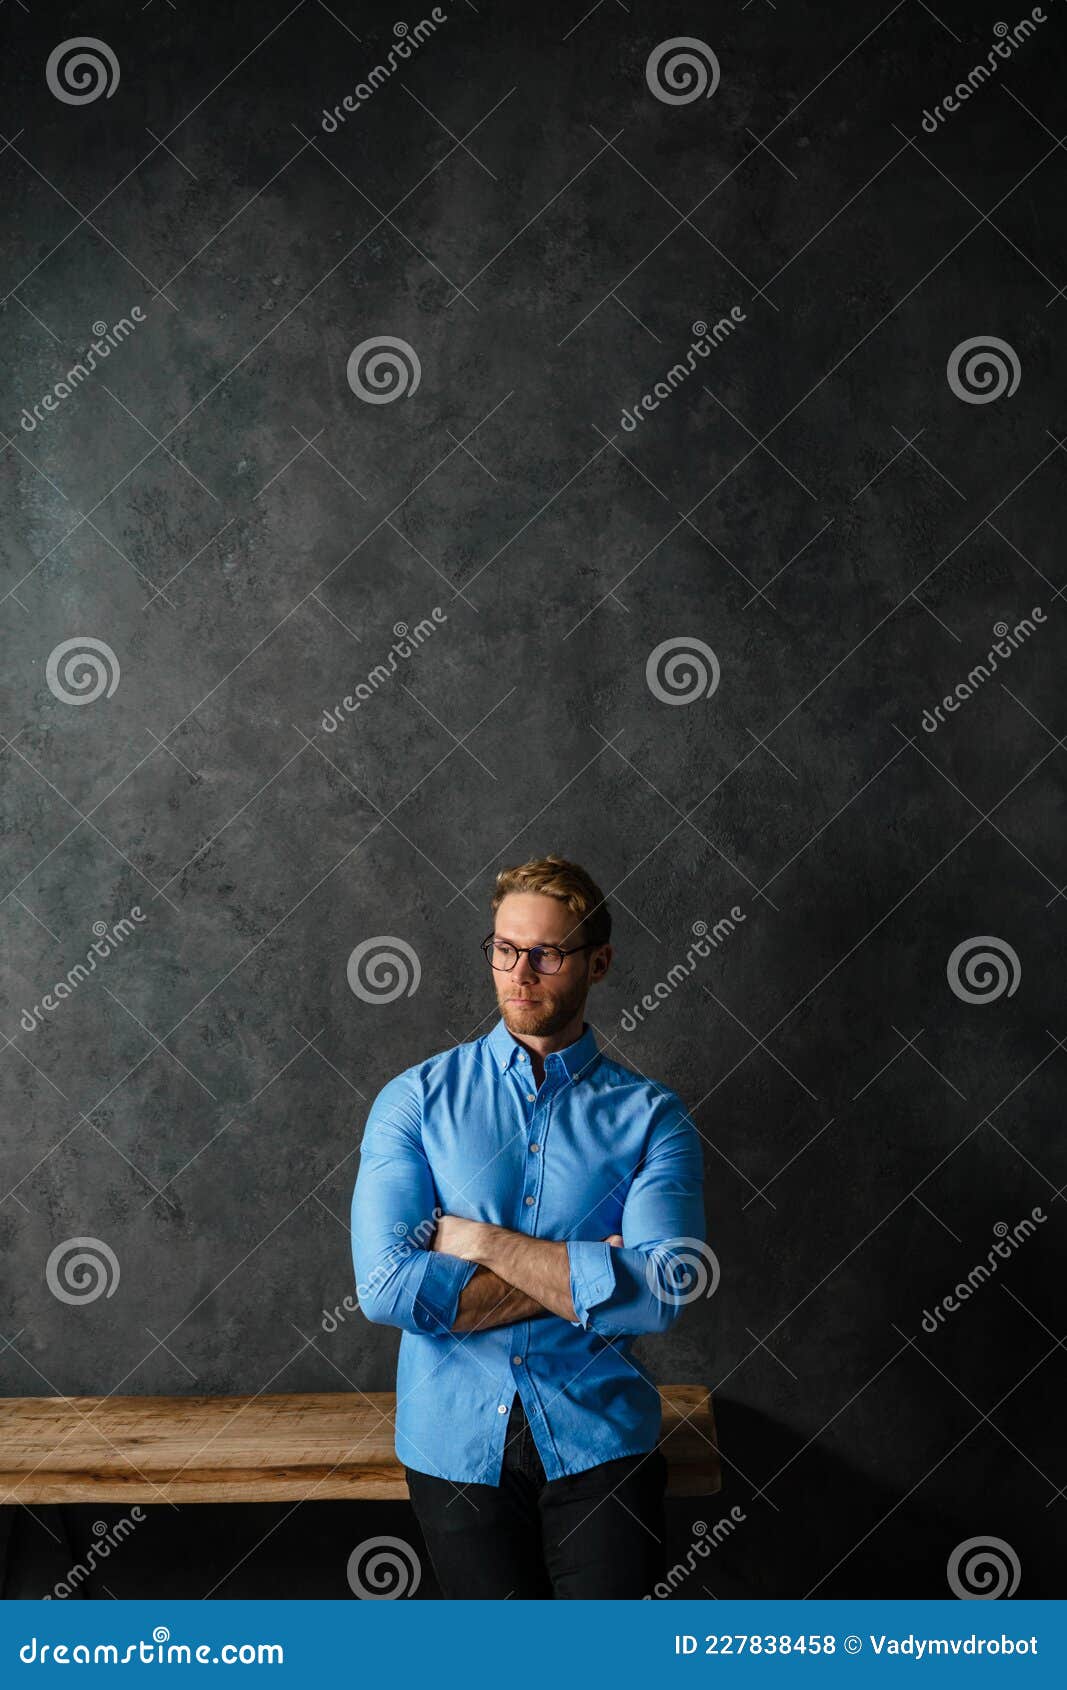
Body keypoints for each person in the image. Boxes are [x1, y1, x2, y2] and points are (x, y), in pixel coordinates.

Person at [350, 854, 706, 1598]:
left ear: (597, 962)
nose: (519, 973)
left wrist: (480, 1242)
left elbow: (663, 1291)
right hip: (452, 1450)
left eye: (546, 953)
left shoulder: (651, 1118)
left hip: (602, 1445)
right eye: (504, 950)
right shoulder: (414, 1101)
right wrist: (587, 1269)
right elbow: (387, 1289)